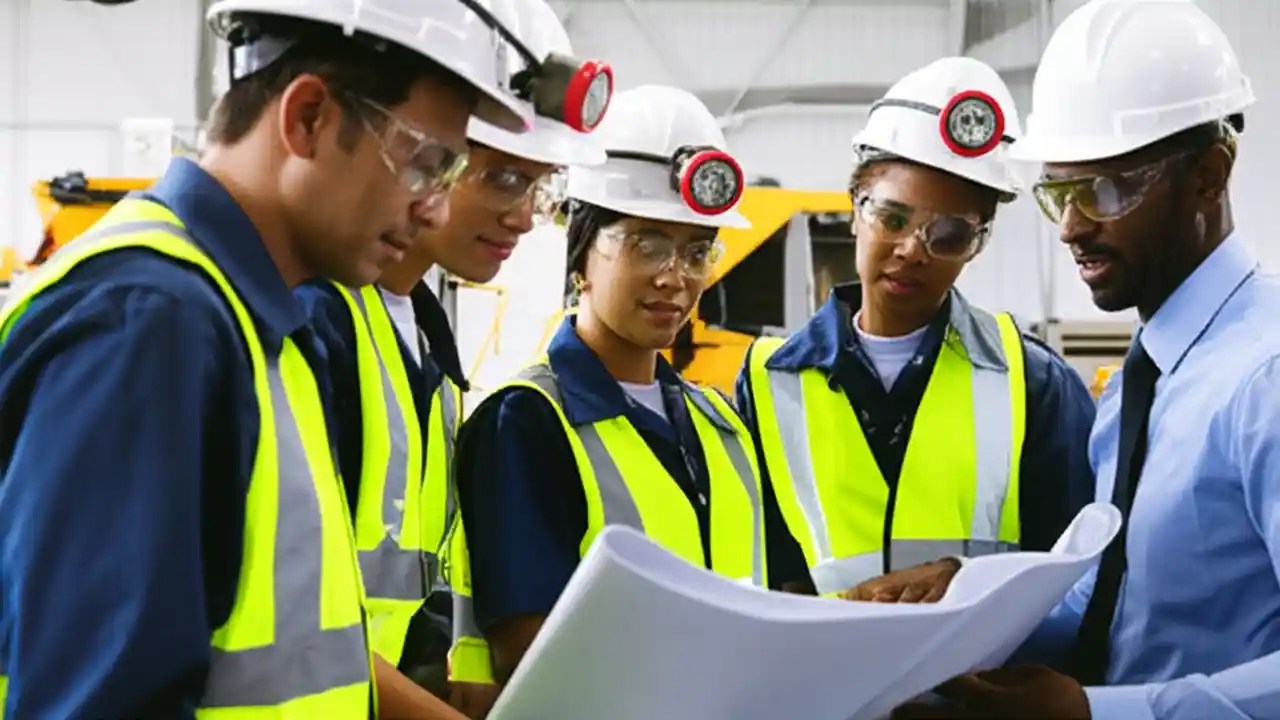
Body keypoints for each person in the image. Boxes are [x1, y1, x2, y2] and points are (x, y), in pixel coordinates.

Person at [0, 0, 532, 716]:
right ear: (307, 116)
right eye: (424, 165)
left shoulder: (261, 328)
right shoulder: (153, 325)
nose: (434, 209)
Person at [895, 1, 1280, 718]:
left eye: (1104, 189)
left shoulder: (1266, 379)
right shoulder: (1144, 380)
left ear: (1208, 175)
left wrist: (1095, 713)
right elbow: (1107, 591)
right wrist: (960, 607)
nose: (1071, 227)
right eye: (1060, 193)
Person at [292, 0, 609, 715]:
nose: (525, 216)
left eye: (539, 186)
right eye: (500, 177)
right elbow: (292, 614)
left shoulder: (430, 350)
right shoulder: (320, 321)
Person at [736, 56, 1096, 600]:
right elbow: (756, 568)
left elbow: (1079, 571)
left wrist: (965, 578)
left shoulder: (1033, 383)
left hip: (979, 681)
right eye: (892, 217)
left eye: (949, 234)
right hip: (824, 679)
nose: (911, 250)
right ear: (855, 211)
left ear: (979, 243)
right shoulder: (767, 383)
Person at [452, 84, 766, 687]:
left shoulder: (721, 426)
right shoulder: (526, 423)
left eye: (697, 251)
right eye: (647, 245)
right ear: (580, 256)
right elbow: (528, 651)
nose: (676, 278)